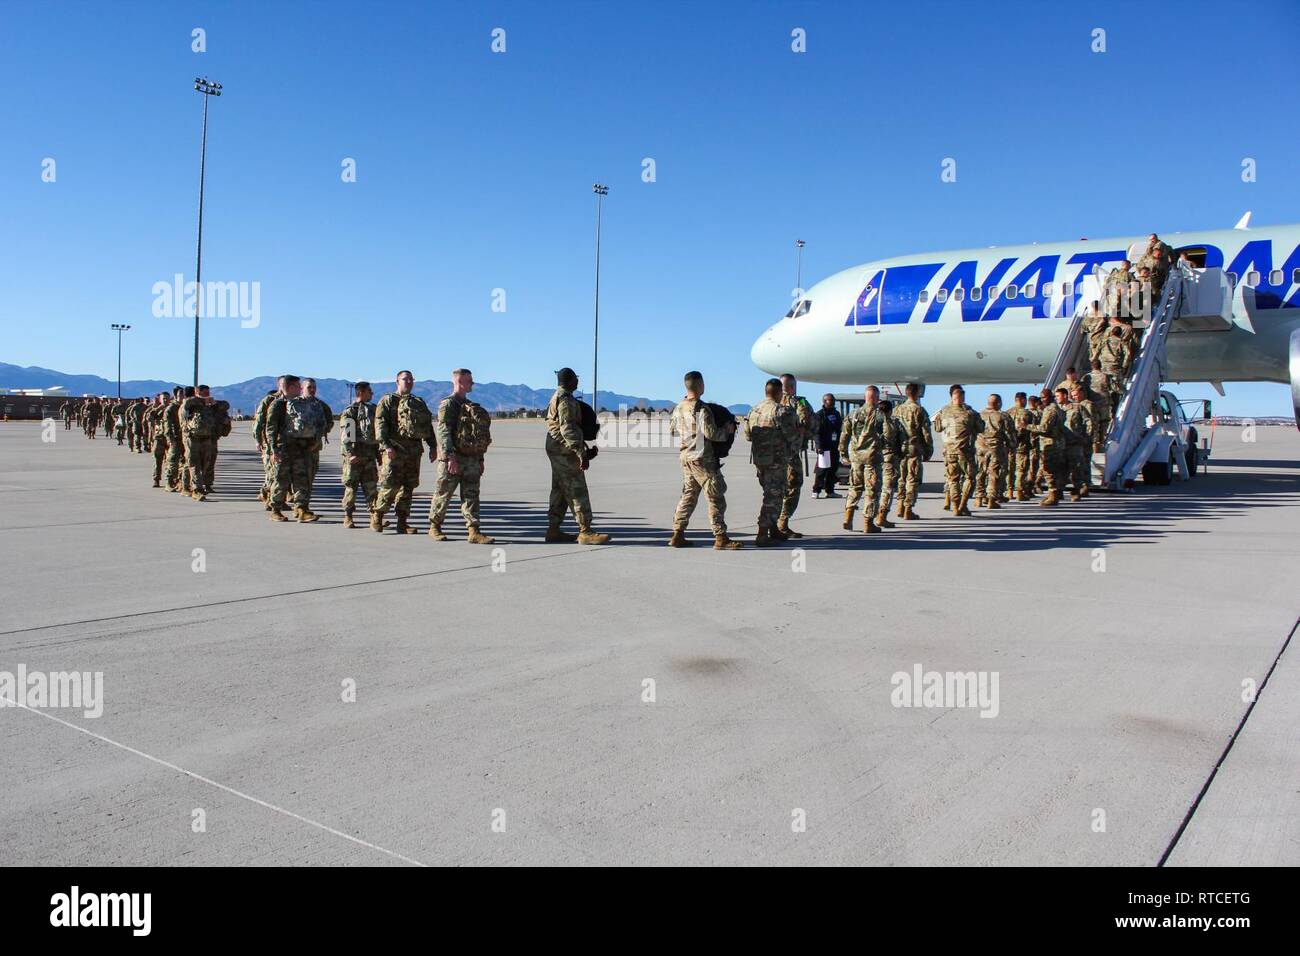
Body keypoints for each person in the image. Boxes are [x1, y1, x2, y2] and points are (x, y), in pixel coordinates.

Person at [669, 371, 741, 549]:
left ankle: (677, 534)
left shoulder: (678, 407)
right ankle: (721, 538)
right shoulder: (701, 408)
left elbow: (673, 431)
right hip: (702, 459)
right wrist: (728, 430)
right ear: (700, 385)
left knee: (688, 495)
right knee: (716, 496)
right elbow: (712, 434)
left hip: (686, 457)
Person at [544, 368, 610, 544]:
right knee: (576, 489)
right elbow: (568, 429)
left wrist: (584, 447)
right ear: (569, 380)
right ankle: (585, 531)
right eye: (576, 378)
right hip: (564, 451)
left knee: (559, 489)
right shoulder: (565, 400)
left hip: (557, 448)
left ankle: (553, 529)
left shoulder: (558, 396)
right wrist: (581, 453)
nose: (578, 381)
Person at [431, 368, 495, 544]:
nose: (472, 383)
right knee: (444, 493)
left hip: (471, 458)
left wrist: (480, 459)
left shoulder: (470, 406)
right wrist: (450, 457)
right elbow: (443, 432)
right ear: (460, 382)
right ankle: (435, 526)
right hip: (453, 459)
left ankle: (474, 531)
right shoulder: (448, 404)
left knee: (472, 495)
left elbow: (477, 435)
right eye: (469, 381)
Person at [373, 370, 436, 534]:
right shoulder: (387, 401)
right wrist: (386, 446)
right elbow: (380, 426)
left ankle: (402, 522)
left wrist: (433, 446)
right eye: (405, 379)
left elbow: (427, 425)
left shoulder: (418, 402)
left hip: (413, 452)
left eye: (411, 379)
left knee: (408, 488)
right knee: (389, 486)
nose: (408, 382)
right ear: (397, 381)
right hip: (394, 451)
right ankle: (378, 516)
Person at [266, 375, 327, 523]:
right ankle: (276, 509)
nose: (300, 388)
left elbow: (318, 423)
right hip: (283, 448)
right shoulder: (278, 404)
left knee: (302, 479)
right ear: (291, 387)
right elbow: (271, 428)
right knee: (281, 479)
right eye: (297, 386)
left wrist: (316, 440)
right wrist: (273, 450)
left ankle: (302, 509)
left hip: (302, 448)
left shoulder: (304, 404)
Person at [744, 377, 796, 546]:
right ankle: (761, 533)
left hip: (760, 460)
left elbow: (747, 435)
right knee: (773, 497)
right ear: (780, 393)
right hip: (776, 460)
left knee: (770, 494)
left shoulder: (754, 410)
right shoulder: (781, 411)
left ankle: (772, 529)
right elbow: (791, 436)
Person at [838, 385, 890, 533]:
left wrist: (843, 453)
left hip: (856, 458)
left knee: (854, 487)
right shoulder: (880, 415)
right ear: (877, 398)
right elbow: (888, 435)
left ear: (865, 397)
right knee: (871, 491)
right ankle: (868, 523)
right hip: (872, 459)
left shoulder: (853, 414)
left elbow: (844, 435)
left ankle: (848, 518)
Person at [932, 385, 982, 517]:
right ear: (963, 398)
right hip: (965, 451)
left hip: (949, 451)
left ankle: (955, 505)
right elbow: (981, 428)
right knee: (970, 478)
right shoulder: (970, 413)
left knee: (953, 479)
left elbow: (937, 428)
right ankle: (963, 504)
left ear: (952, 398)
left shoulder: (944, 411)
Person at [777, 374, 817, 538]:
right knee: (793, 486)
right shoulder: (799, 402)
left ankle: (770, 525)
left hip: (770, 455)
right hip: (791, 453)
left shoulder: (769, 404)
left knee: (773, 490)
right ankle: (782, 523)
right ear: (793, 387)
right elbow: (809, 422)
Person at [337, 381, 381, 529]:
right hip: (355, 457)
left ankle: (374, 517)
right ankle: (348, 516)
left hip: (369, 456)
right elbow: (347, 435)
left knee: (372, 488)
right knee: (351, 487)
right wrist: (350, 454)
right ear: (360, 392)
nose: (372, 394)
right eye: (369, 391)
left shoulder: (373, 410)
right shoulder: (351, 411)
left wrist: (378, 455)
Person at [893, 382, 932, 520]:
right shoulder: (919, 410)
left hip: (900, 449)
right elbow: (926, 432)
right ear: (916, 394)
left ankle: (899, 506)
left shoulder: (897, 409)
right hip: (914, 449)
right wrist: (929, 449)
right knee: (912, 479)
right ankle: (908, 509)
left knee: (901, 479)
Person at [1029, 388, 1070, 506]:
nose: (1042, 400)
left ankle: (1053, 495)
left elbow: (1044, 428)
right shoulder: (1059, 409)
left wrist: (1027, 426)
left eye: (1044, 397)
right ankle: (1056, 493)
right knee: (1056, 470)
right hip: (1058, 443)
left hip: (1050, 444)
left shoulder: (1050, 410)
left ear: (1050, 397)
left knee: (1048, 470)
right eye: (1041, 398)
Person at [975, 394, 1014, 509]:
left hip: (980, 447)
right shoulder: (1003, 416)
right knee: (993, 473)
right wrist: (1011, 445)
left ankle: (979, 498)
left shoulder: (979, 415)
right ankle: (992, 499)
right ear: (999, 403)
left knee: (980, 472)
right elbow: (1009, 434)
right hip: (995, 448)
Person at [253, 379, 285, 508]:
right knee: (272, 473)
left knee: (279, 473)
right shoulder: (269, 401)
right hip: (269, 443)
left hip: (283, 443)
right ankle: (271, 501)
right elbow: (259, 422)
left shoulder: (292, 401)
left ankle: (269, 496)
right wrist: (258, 440)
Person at [1063, 383, 1096, 499]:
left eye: (1076, 395)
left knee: (1084, 463)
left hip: (1082, 440)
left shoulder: (1087, 405)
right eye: (1073, 395)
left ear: (1082, 393)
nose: (1074, 397)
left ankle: (1084, 486)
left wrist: (1087, 437)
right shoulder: (1069, 407)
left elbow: (1090, 422)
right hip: (1071, 441)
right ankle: (1079, 486)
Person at [300, 378, 335, 488]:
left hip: (313, 446)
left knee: (311, 473)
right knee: (296, 474)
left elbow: (330, 422)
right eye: (309, 387)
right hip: (296, 446)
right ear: (302, 388)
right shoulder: (295, 404)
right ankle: (297, 497)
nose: (312, 389)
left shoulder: (321, 405)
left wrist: (320, 432)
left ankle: (302, 500)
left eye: (314, 387)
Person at [811, 393, 842, 499]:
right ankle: (816, 490)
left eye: (833, 400)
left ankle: (830, 490)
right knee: (822, 470)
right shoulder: (819, 415)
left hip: (834, 446)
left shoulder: (836, 413)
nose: (832, 402)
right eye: (830, 400)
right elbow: (816, 432)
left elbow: (839, 429)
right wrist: (818, 446)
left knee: (833, 469)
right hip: (824, 446)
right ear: (824, 401)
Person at [878, 399, 902, 525]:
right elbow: (902, 441)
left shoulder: (872, 423)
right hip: (889, 458)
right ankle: (882, 516)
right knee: (887, 488)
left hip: (873, 458)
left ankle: (867, 517)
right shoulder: (893, 423)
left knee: (872, 489)